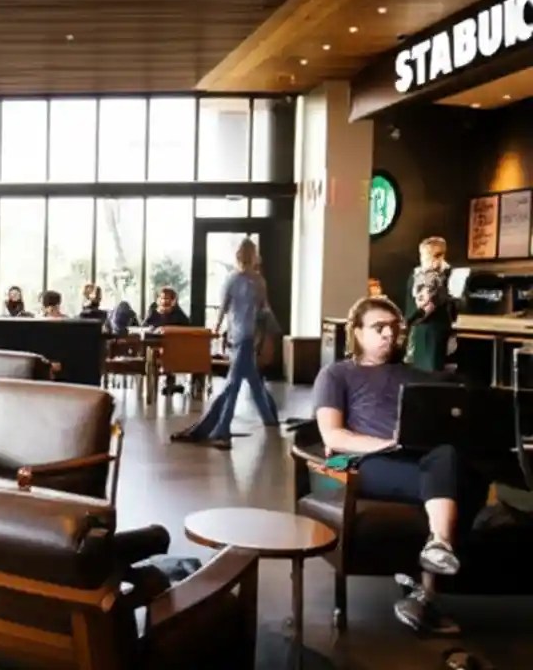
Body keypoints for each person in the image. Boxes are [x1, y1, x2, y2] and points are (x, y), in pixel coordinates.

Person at [313, 295, 479, 634]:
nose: (390, 334)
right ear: (356, 333)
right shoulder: (337, 374)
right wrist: (390, 444)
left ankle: (437, 550)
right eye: (379, 328)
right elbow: (333, 436)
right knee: (450, 480)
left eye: (394, 328)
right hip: (364, 461)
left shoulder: (417, 376)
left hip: (421, 459)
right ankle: (428, 591)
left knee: (451, 460)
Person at [172, 238, 279, 448]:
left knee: (232, 384)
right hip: (250, 335)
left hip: (239, 335)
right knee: (253, 381)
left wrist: (216, 328)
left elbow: (223, 308)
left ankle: (222, 429)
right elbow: (265, 309)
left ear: (238, 256)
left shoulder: (232, 279)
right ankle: (269, 418)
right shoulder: (259, 281)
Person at [406, 237, 452, 372]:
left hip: (436, 331)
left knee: (433, 371)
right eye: (422, 255)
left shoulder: (449, 275)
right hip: (418, 329)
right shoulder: (416, 275)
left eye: (426, 256)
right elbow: (411, 304)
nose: (422, 259)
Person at [144, 287, 191, 396]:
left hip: (174, 349)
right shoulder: (153, 313)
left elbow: (187, 329)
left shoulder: (179, 315)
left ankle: (170, 382)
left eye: (167, 298)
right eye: (162, 298)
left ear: (174, 300)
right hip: (154, 349)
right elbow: (144, 328)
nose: (164, 301)